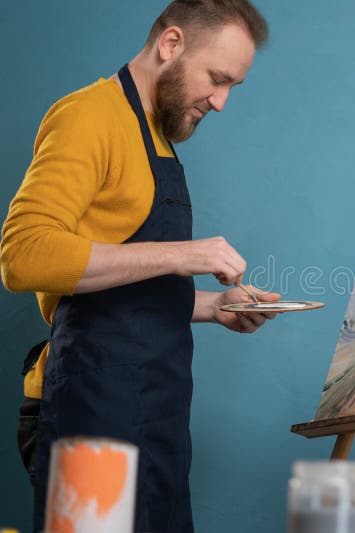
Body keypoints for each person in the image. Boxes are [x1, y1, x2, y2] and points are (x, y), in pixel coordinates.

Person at [0, 1, 274, 531]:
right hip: (94, 410)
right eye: (217, 79)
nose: (220, 102)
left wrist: (215, 306)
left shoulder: (158, 138)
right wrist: (184, 254)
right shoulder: (89, 115)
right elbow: (23, 254)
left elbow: (122, 290)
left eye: (232, 87)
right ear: (170, 45)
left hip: (161, 416)